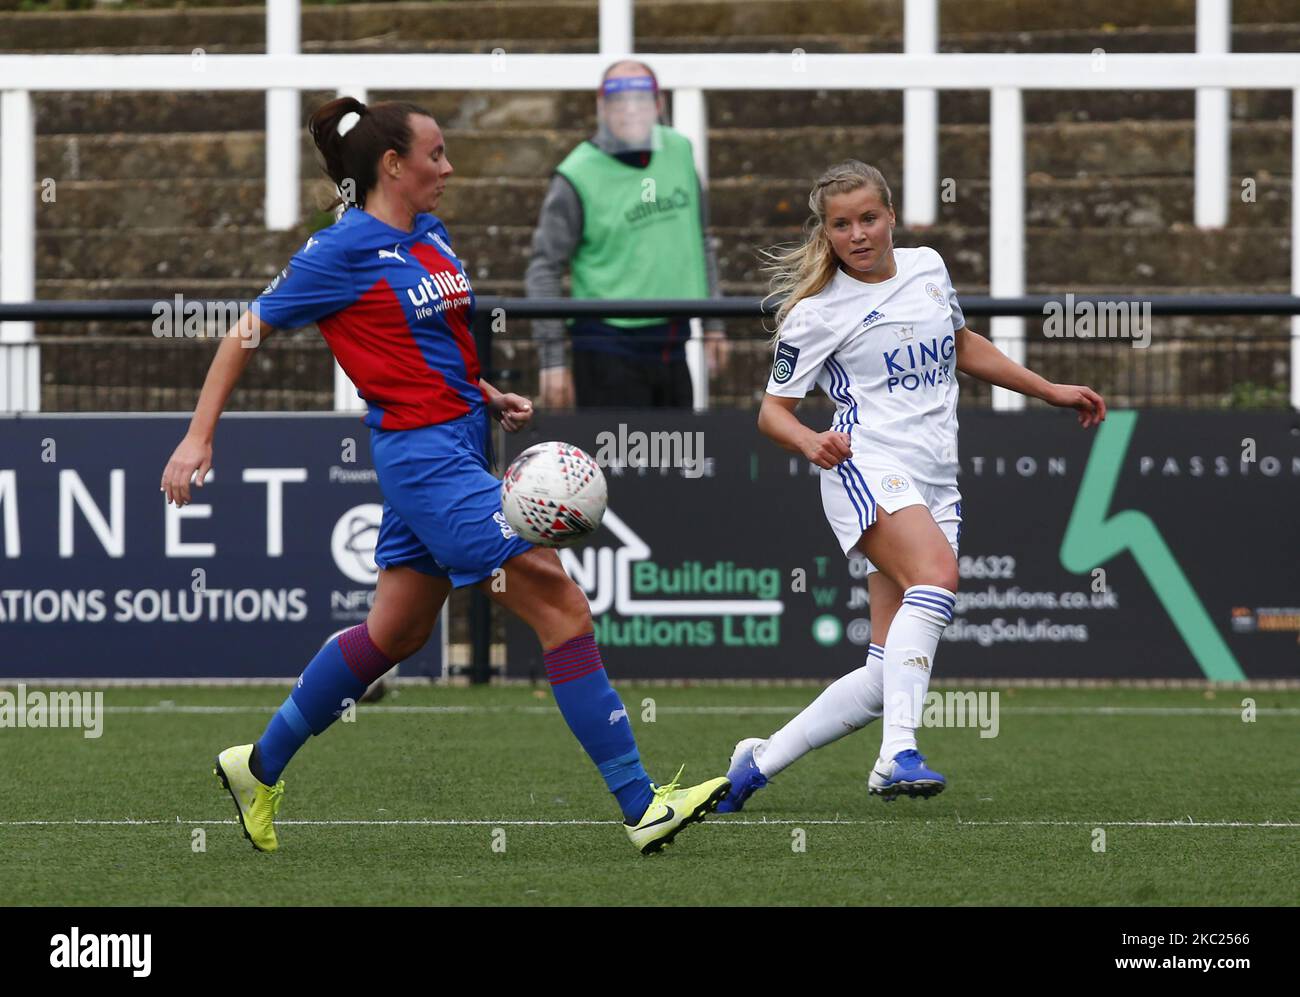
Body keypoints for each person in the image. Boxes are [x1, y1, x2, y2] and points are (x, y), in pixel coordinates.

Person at [160, 97, 729, 854]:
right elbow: (245, 332)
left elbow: (434, 340)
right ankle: (640, 803)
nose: (449, 168)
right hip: (421, 459)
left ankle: (256, 767)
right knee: (559, 599)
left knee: (395, 630)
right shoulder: (339, 250)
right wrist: (197, 438)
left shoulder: (431, 235)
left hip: (460, 440)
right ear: (392, 165)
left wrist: (484, 393)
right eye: (436, 154)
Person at [717, 160, 1106, 811]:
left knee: (879, 674)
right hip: (864, 467)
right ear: (828, 232)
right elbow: (771, 412)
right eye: (842, 224)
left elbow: (959, 343)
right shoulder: (817, 313)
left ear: (891, 215)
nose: (858, 234)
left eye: (868, 218)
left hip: (933, 478)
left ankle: (755, 763)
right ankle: (897, 754)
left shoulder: (928, 268)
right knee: (938, 576)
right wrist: (813, 442)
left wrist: (1049, 389)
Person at [525, 59, 728, 409]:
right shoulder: (576, 174)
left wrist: (714, 323)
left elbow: (700, 241)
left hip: (673, 340)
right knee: (618, 462)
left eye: (641, 99)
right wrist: (553, 358)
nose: (631, 110)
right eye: (619, 100)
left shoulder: (679, 150)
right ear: (601, 107)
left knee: (678, 459)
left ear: (658, 104)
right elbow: (544, 267)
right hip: (606, 345)